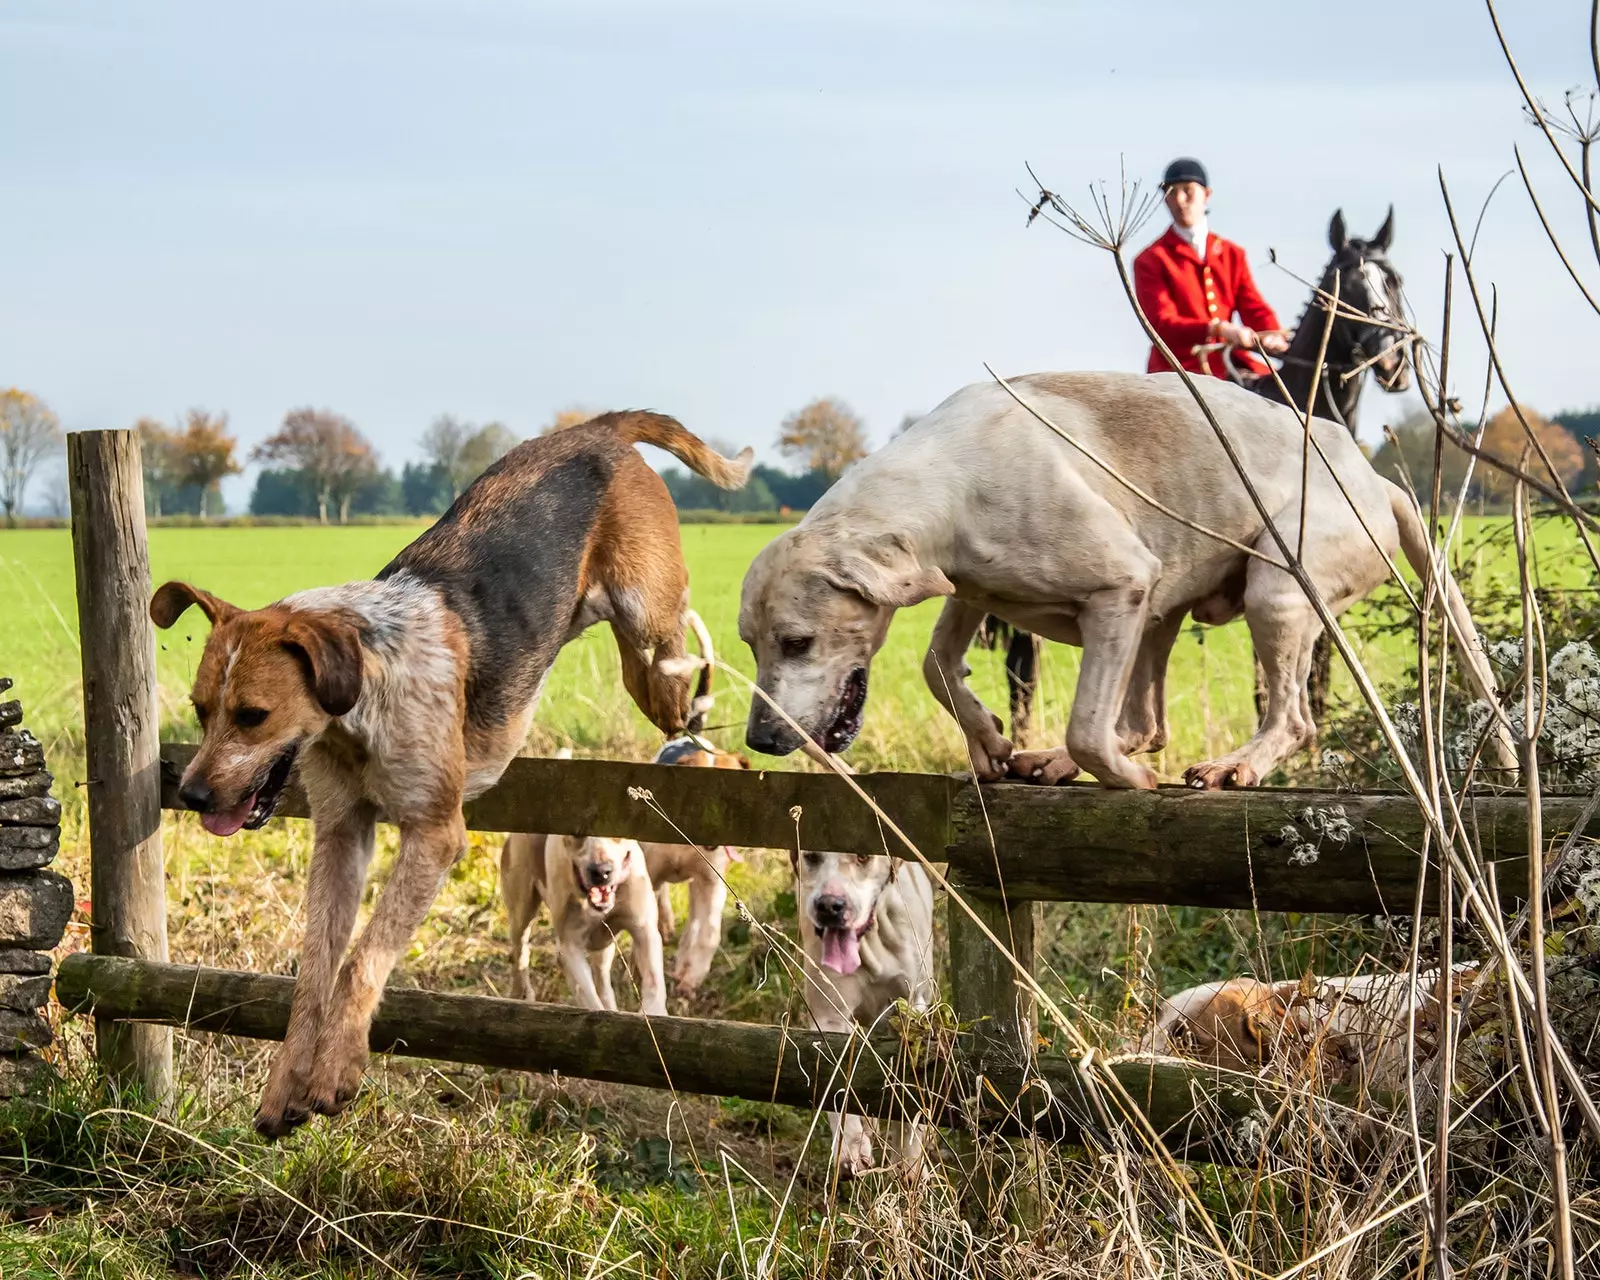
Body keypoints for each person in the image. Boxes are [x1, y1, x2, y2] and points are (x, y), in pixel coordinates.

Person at [1132, 157, 1286, 382]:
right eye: (1171, 193)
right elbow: (1162, 322)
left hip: (1229, 364)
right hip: (1177, 372)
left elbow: (1254, 307)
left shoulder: (1232, 254)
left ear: (1207, 194)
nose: (1179, 200)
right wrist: (1218, 329)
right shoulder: (1151, 259)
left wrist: (1272, 333)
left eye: (1187, 191)